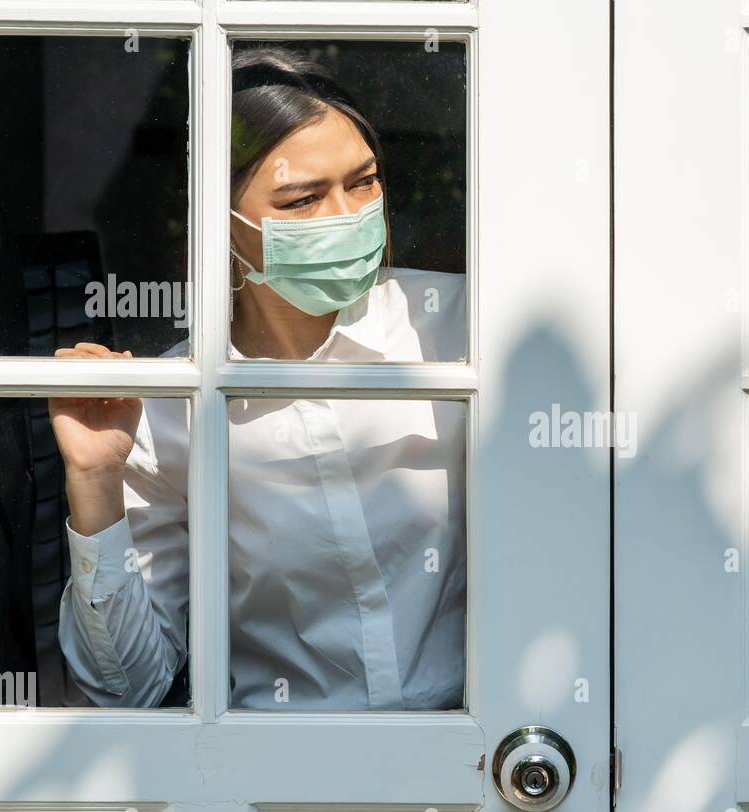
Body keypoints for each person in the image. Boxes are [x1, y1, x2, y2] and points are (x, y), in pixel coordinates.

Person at [50, 46, 467, 710]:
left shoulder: (459, 328)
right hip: (279, 788)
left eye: (363, 181)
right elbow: (129, 688)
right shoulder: (167, 404)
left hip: (475, 769)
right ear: (222, 221)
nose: (347, 215)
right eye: (302, 198)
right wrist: (97, 482)